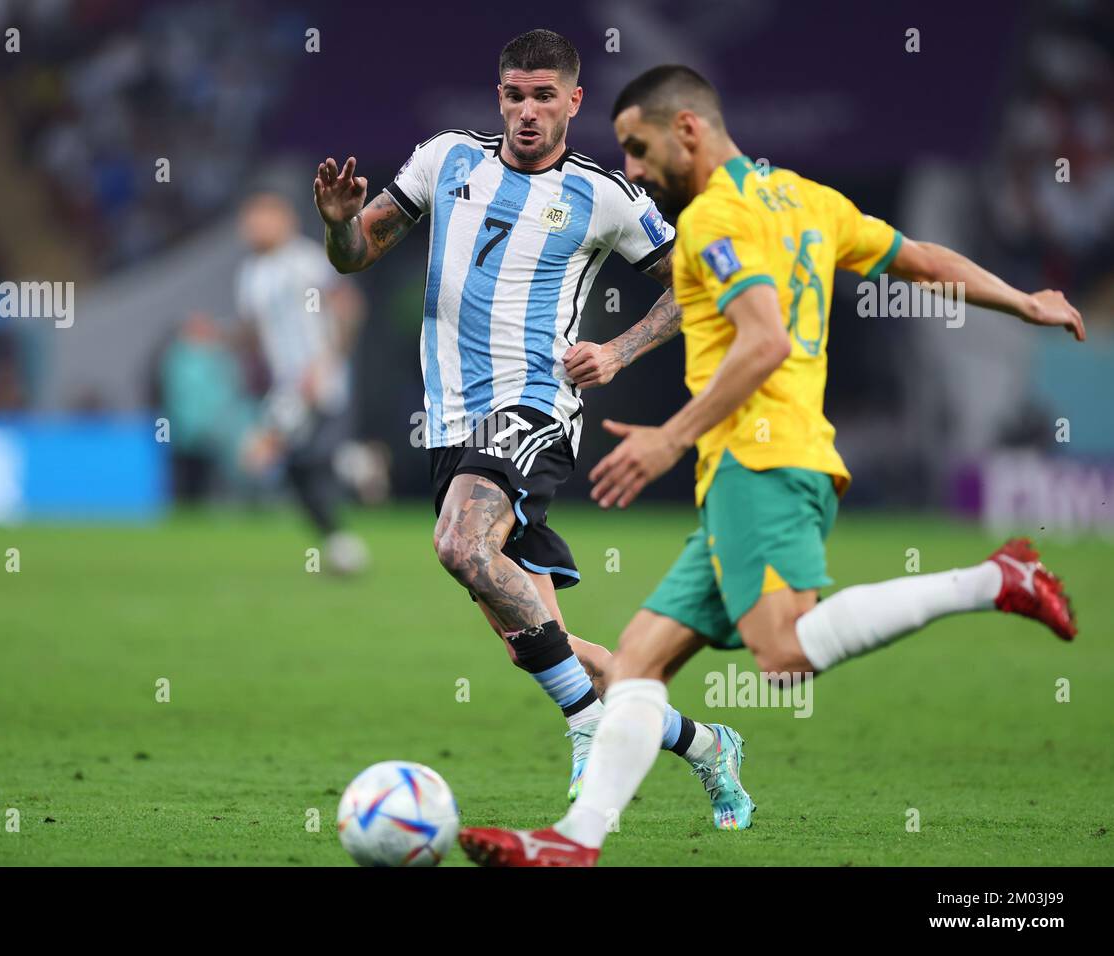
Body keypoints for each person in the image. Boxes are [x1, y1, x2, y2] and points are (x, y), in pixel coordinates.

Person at [458, 64, 1084, 866]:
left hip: (763, 463)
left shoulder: (716, 219)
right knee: (640, 663)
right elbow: (921, 261)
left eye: (639, 150)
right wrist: (1024, 302)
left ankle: (996, 580)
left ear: (687, 129)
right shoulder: (805, 200)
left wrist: (666, 439)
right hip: (763, 468)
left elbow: (764, 341)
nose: (635, 172)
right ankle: (573, 844)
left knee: (781, 654)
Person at [314, 30, 730, 802]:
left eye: (545, 96)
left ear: (574, 101)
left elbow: (694, 283)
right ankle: (704, 743)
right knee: (536, 642)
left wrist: (619, 351)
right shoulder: (446, 161)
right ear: (498, 95)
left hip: (534, 405)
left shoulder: (602, 195)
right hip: (451, 424)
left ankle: (581, 724)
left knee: (460, 544)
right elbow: (354, 254)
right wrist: (339, 224)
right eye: (515, 95)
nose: (528, 112)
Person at [237, 191, 369, 574]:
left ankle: (352, 466)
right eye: (249, 220)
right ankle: (344, 517)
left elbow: (348, 307)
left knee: (299, 455)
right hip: (285, 384)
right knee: (293, 466)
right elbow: (253, 335)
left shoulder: (305, 259)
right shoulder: (251, 273)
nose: (253, 227)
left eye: (262, 218)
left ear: (284, 220)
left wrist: (327, 363)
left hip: (318, 379)